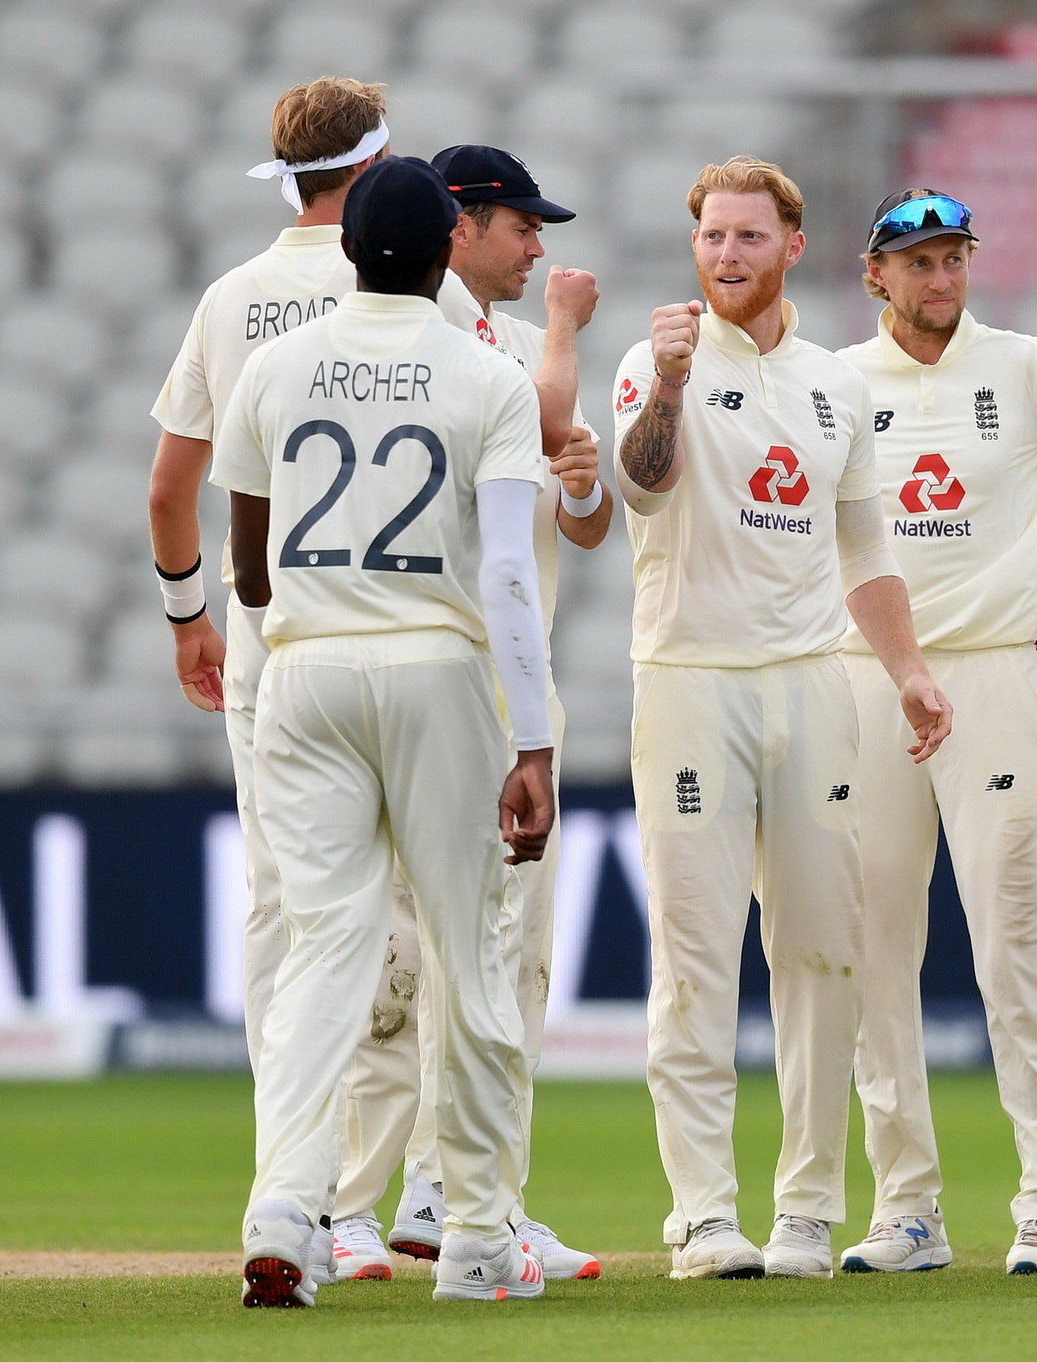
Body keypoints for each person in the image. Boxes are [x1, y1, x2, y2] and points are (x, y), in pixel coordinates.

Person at [216, 156, 559, 1305]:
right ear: (445, 251)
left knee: (323, 949)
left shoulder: (274, 365)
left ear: (350, 248)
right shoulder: (486, 374)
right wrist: (532, 741)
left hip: (305, 672)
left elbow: (248, 571)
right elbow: (506, 573)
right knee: (469, 953)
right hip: (434, 670)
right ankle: (476, 1238)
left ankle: (284, 1207)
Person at [612, 157, 952, 1280]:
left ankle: (807, 1210)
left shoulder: (832, 384)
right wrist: (669, 387)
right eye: (712, 235)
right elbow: (641, 490)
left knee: (820, 947)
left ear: (792, 248)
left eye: (748, 237)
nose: (726, 255)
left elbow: (865, 547)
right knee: (696, 954)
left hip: (810, 683)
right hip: (689, 679)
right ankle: (705, 1215)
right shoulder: (655, 359)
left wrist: (907, 670)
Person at [830, 189, 1037, 1277]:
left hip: (993, 674)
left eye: (954, 258)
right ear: (874, 273)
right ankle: (906, 1208)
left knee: (1017, 937)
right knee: (875, 946)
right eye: (918, 261)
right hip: (869, 680)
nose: (941, 279)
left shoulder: (1024, 367)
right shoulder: (837, 381)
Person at [324, 143, 608, 1285]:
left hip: (511, 677)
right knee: (400, 954)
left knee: (506, 956)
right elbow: (534, 415)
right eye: (520, 225)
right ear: (460, 223)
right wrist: (567, 334)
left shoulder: (501, 340)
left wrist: (580, 482)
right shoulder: (428, 327)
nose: (537, 246)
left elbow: (579, 520)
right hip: (438, 680)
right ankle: (352, 1202)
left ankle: (463, 1192)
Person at [148, 75, 399, 1286]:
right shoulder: (407, 283)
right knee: (409, 922)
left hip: (267, 642)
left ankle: (288, 1189)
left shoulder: (232, 297)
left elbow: (169, 491)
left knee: (281, 911)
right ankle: (384, 1203)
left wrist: (187, 619)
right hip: (400, 636)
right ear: (379, 166)